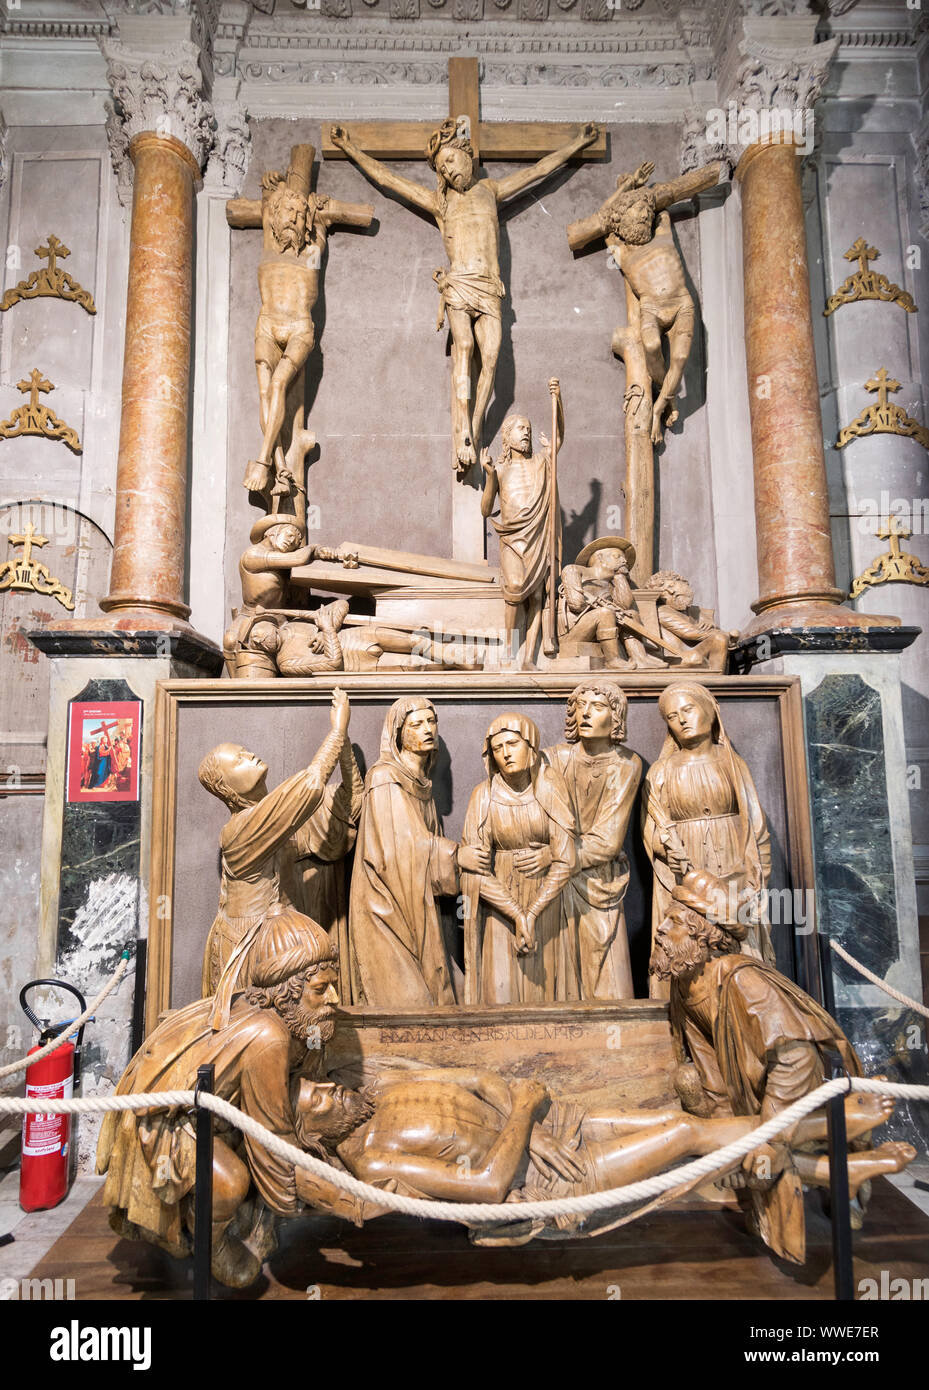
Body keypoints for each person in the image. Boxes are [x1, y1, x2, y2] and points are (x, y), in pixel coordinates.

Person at [649, 872, 916, 1262]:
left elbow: (796, 1056)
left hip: (792, 1089)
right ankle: (845, 1170)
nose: (659, 927)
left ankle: (844, 1163)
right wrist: (728, 1135)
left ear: (701, 933)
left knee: (764, 1148)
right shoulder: (687, 985)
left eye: (672, 920)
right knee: (688, 1081)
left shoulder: (742, 980)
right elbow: (709, 1071)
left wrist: (769, 1132)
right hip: (753, 1091)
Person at [96, 910, 369, 1289]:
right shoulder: (268, 1036)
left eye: (332, 985)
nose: (334, 999)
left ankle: (227, 1219)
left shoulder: (275, 1017)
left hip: (202, 1111)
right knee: (230, 1182)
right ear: (286, 991)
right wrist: (331, 1197)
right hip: (163, 1122)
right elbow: (271, 1140)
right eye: (321, 989)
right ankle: (208, 1241)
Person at [330, 119, 598, 472]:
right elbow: (388, 180)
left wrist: (577, 144)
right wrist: (350, 148)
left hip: (489, 288)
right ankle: (464, 436)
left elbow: (539, 170)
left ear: (466, 154)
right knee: (465, 348)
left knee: (491, 358)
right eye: (442, 169)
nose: (449, 171)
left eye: (451, 161)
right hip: (458, 284)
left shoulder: (491, 190)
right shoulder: (441, 203)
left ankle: (473, 424)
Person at [197, 687, 349, 1025]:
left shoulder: (272, 824)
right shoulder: (240, 831)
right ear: (226, 788)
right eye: (238, 759)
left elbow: (322, 836)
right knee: (251, 1028)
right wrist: (337, 732)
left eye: (245, 750)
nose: (249, 755)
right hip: (248, 940)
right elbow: (308, 787)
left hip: (279, 934)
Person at [642, 680, 775, 997]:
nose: (682, 720)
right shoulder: (661, 770)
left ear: (711, 712)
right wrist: (664, 849)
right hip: (686, 871)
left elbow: (754, 822)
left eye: (687, 710)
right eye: (672, 717)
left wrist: (757, 875)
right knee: (691, 948)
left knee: (736, 938)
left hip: (733, 865)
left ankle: (747, 1008)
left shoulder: (731, 762)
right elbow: (650, 829)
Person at [347, 697, 479, 1007]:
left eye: (431, 722)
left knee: (454, 997)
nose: (427, 730)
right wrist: (457, 857)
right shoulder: (384, 778)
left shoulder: (422, 784)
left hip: (416, 904)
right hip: (386, 907)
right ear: (398, 734)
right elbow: (400, 849)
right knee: (408, 1003)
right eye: (416, 724)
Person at [460, 713, 576, 1004]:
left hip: (547, 902)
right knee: (500, 989)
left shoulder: (550, 789)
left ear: (531, 746)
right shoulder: (482, 796)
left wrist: (533, 913)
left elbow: (565, 860)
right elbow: (475, 871)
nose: (506, 753)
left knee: (545, 989)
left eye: (513, 743)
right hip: (499, 908)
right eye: (498, 748)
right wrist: (516, 914)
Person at [544, 683, 642, 999]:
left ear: (616, 717)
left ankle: (613, 1046)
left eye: (598, 706)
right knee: (561, 978)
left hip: (598, 880)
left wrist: (555, 857)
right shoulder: (554, 759)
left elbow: (608, 841)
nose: (585, 713)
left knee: (607, 982)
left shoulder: (625, 764)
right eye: (581, 706)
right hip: (557, 882)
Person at [480, 397, 561, 669]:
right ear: (507, 436)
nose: (526, 432)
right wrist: (490, 475)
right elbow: (485, 509)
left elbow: (559, 433)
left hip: (538, 536)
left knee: (537, 596)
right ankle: (508, 647)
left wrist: (557, 399)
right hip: (513, 538)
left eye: (528, 428)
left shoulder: (542, 461)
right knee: (514, 587)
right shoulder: (501, 469)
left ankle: (528, 659)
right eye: (520, 429)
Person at [558, 536, 665, 670]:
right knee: (605, 613)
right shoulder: (574, 570)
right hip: (573, 632)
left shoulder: (611, 583)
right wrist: (600, 605)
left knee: (631, 614)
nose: (624, 560)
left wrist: (620, 578)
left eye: (624, 558)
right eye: (617, 556)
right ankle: (613, 659)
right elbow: (576, 604)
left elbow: (625, 606)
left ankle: (640, 658)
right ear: (600, 558)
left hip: (601, 628)